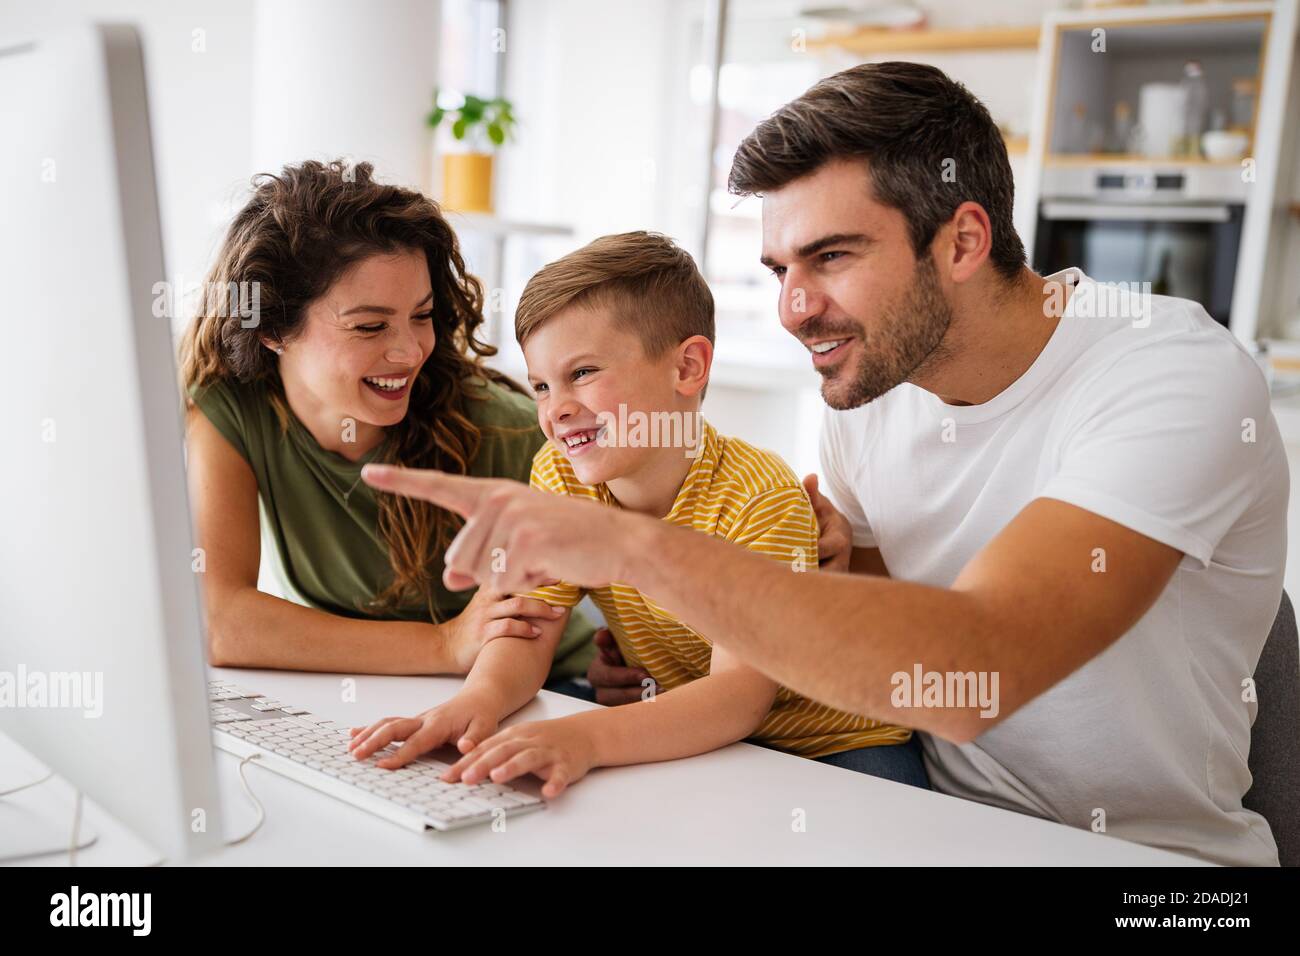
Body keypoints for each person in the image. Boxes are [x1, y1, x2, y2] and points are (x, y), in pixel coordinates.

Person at [360, 64, 1287, 866]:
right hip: (919, 815)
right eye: (776, 270)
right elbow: (869, 625)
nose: (796, 308)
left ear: (962, 240)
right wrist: (682, 654)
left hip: (1153, 872)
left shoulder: (1168, 376)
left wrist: (633, 550)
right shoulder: (870, 393)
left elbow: (975, 672)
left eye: (832, 257)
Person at [349, 232, 927, 793]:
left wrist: (584, 740)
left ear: (687, 368)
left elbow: (738, 699)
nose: (558, 411)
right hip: (695, 735)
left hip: (835, 746)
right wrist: (473, 706)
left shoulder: (759, 498)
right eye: (542, 386)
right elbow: (528, 628)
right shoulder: (559, 475)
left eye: (582, 373)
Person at [181, 159, 595, 688]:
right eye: (370, 326)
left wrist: (634, 657)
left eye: (421, 316)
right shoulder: (231, 407)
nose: (409, 351)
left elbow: (637, 561)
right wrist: (444, 643)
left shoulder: (507, 431)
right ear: (272, 329)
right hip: (387, 689)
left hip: (555, 691)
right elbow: (219, 623)